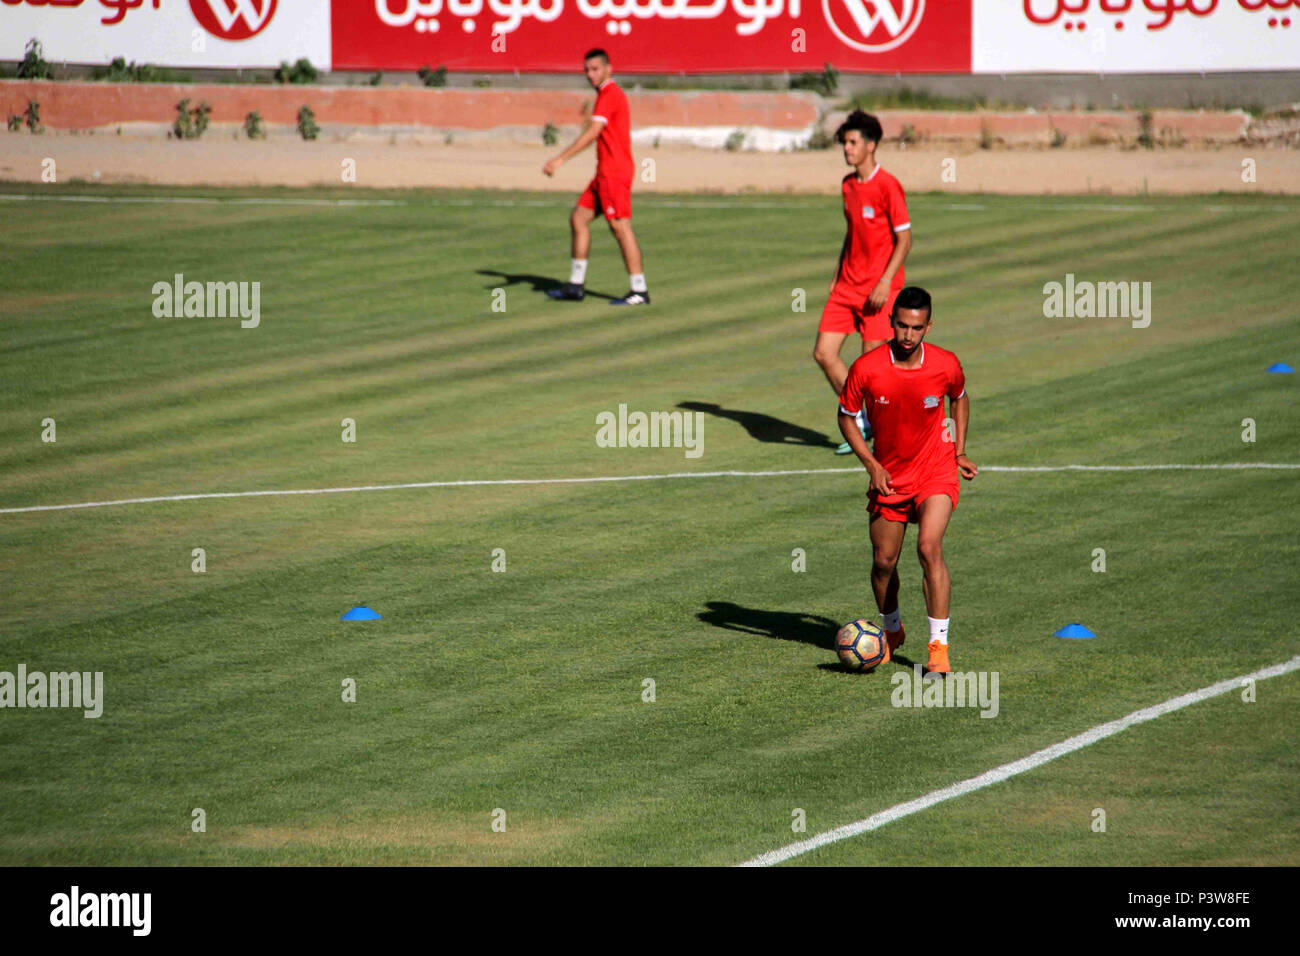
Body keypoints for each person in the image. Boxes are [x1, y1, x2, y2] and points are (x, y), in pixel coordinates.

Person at [836, 287, 977, 675]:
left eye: (916, 327)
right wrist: (870, 463)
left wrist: (959, 450)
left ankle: (938, 651)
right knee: (883, 563)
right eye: (901, 325)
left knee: (929, 547)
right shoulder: (867, 368)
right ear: (891, 322)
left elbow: (960, 397)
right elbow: (846, 416)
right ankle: (892, 631)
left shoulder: (946, 364)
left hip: (936, 471)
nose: (908, 335)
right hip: (890, 477)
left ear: (928, 325)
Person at [815, 110, 911, 454]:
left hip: (878, 290)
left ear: (871, 146)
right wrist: (837, 274)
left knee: (870, 372)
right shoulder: (847, 185)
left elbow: (905, 239)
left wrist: (886, 282)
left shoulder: (888, 186)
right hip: (846, 288)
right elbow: (852, 234)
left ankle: (887, 436)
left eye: (853, 142)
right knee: (824, 354)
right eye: (844, 142)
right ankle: (858, 419)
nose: (847, 148)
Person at [542, 48, 649, 306]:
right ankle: (576, 286)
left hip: (615, 173)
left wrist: (560, 159)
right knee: (579, 218)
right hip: (604, 174)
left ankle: (639, 290)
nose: (590, 75)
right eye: (587, 70)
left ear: (608, 69)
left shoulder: (610, 94)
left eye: (595, 69)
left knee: (620, 228)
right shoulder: (604, 94)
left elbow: (592, 133)